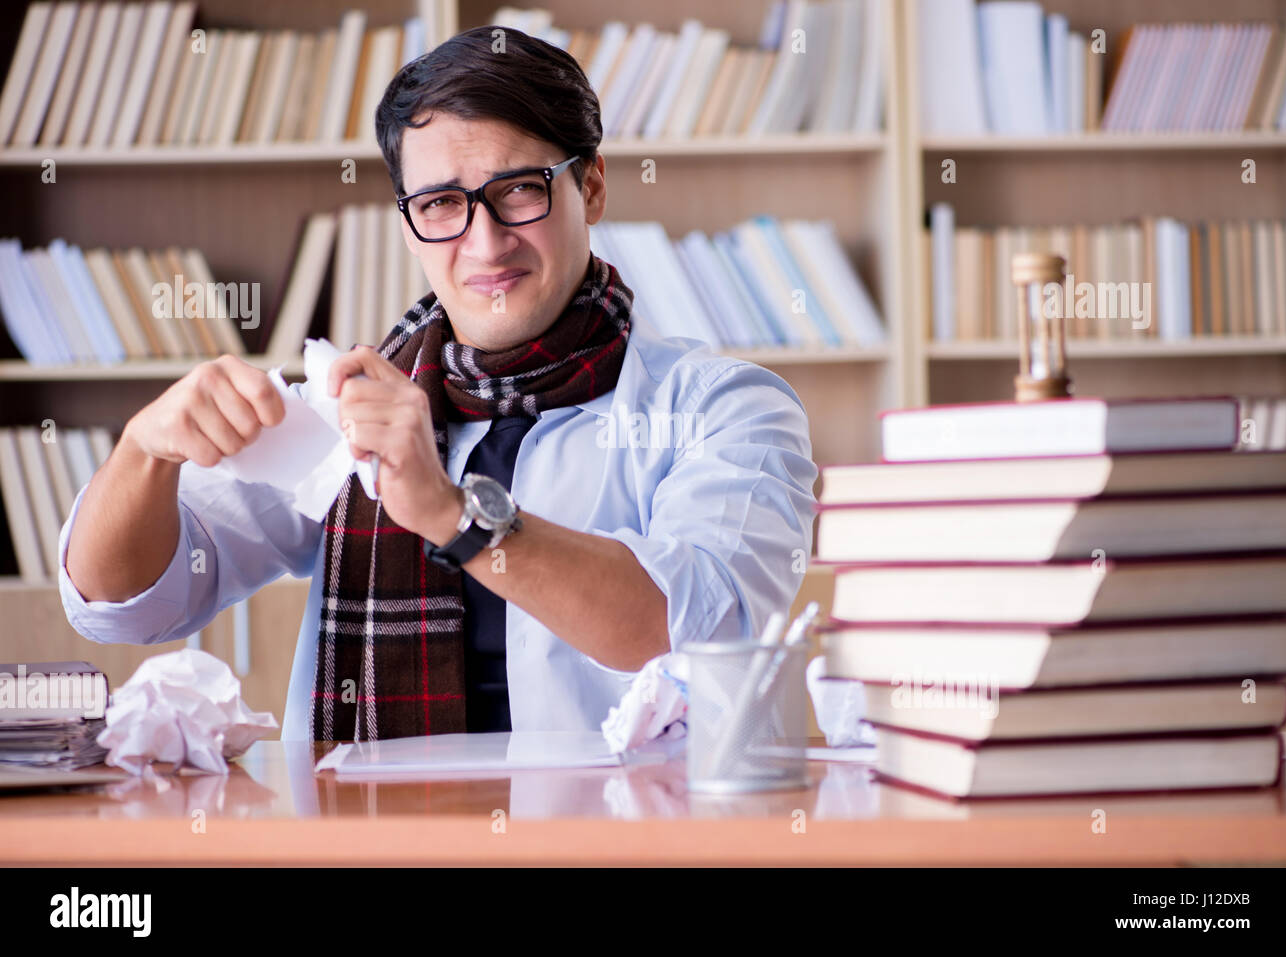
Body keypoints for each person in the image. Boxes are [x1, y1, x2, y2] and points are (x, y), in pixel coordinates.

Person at [59, 25, 817, 742]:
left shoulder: (727, 408)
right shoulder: (349, 404)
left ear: (590, 187)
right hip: (372, 834)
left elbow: (699, 629)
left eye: (520, 190)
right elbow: (121, 605)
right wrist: (143, 453)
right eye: (442, 204)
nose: (485, 242)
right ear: (409, 221)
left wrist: (455, 514)